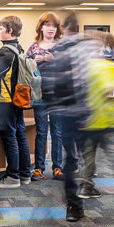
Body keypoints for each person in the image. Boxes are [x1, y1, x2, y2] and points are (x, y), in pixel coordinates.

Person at [41, 11, 100, 221]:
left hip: (65, 113)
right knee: (89, 152)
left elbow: (48, 82)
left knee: (70, 160)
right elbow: (94, 80)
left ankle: (74, 207)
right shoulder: (89, 48)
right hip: (85, 111)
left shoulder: (57, 49)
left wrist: (53, 107)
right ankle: (88, 185)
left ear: (64, 29)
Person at [0, 16, 31, 189]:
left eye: (1, 28)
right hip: (17, 99)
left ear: (10, 30)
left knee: (9, 136)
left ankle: (13, 176)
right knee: (20, 134)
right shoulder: (19, 48)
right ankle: (25, 174)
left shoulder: (5, 52)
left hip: (6, 100)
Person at [79, 51, 114, 200]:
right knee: (110, 153)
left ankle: (86, 186)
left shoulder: (83, 67)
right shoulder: (106, 67)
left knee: (89, 154)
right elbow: (107, 89)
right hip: (100, 119)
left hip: (84, 118)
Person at [28, 13, 66, 181]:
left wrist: (54, 60)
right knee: (41, 132)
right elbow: (26, 70)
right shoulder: (33, 47)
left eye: (54, 26)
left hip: (58, 95)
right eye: (48, 25)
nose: (51, 29)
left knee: (57, 132)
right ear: (41, 27)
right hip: (40, 95)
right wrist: (34, 62)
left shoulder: (62, 47)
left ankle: (57, 168)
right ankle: (38, 168)